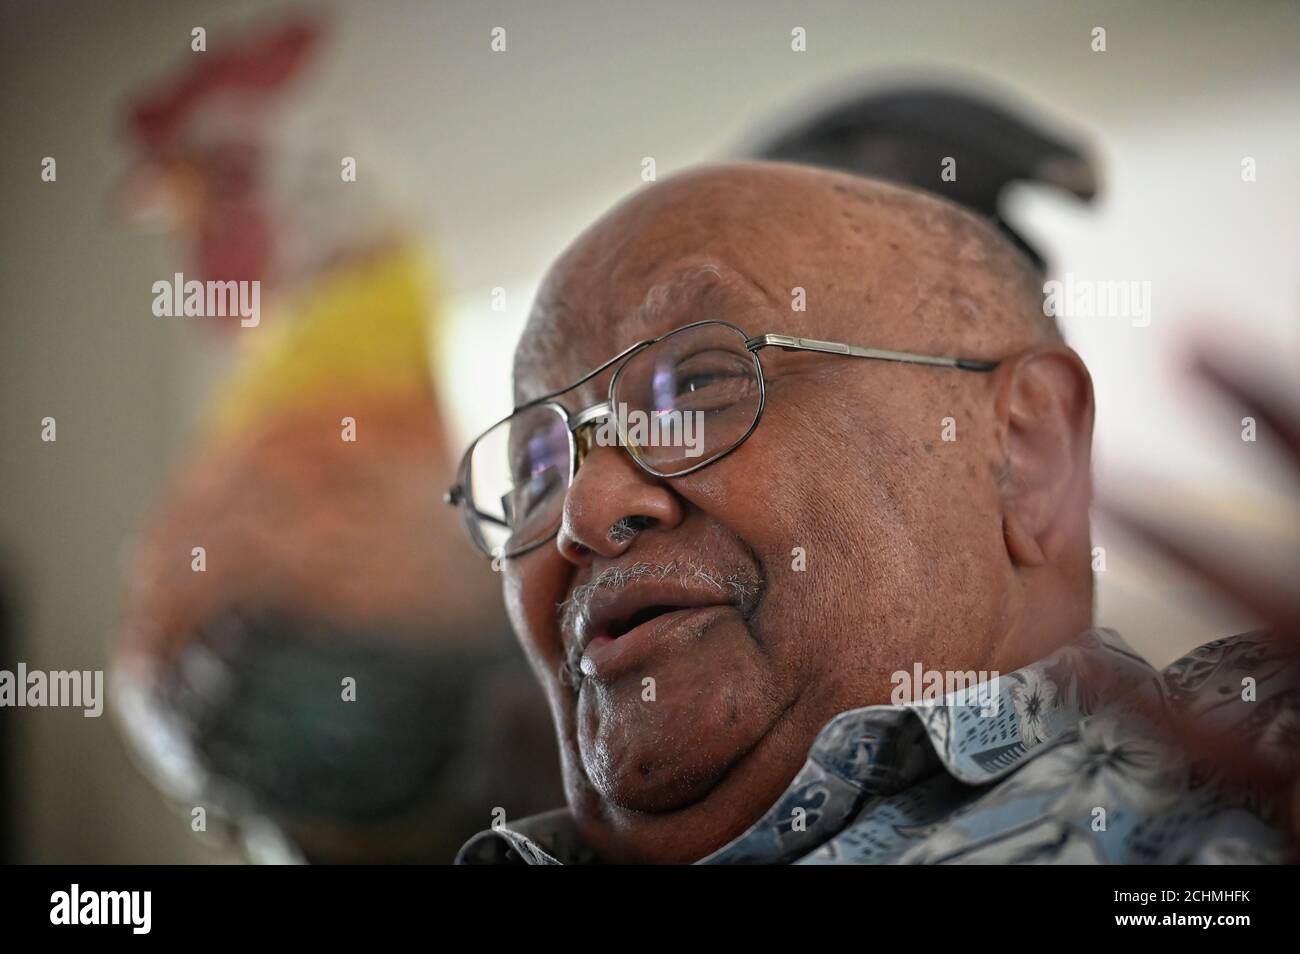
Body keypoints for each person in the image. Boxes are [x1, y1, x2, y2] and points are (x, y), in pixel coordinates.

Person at [449, 161, 1299, 864]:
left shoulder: (1249, 784)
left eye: (699, 382)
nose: (586, 509)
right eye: (536, 465)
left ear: (1025, 450)